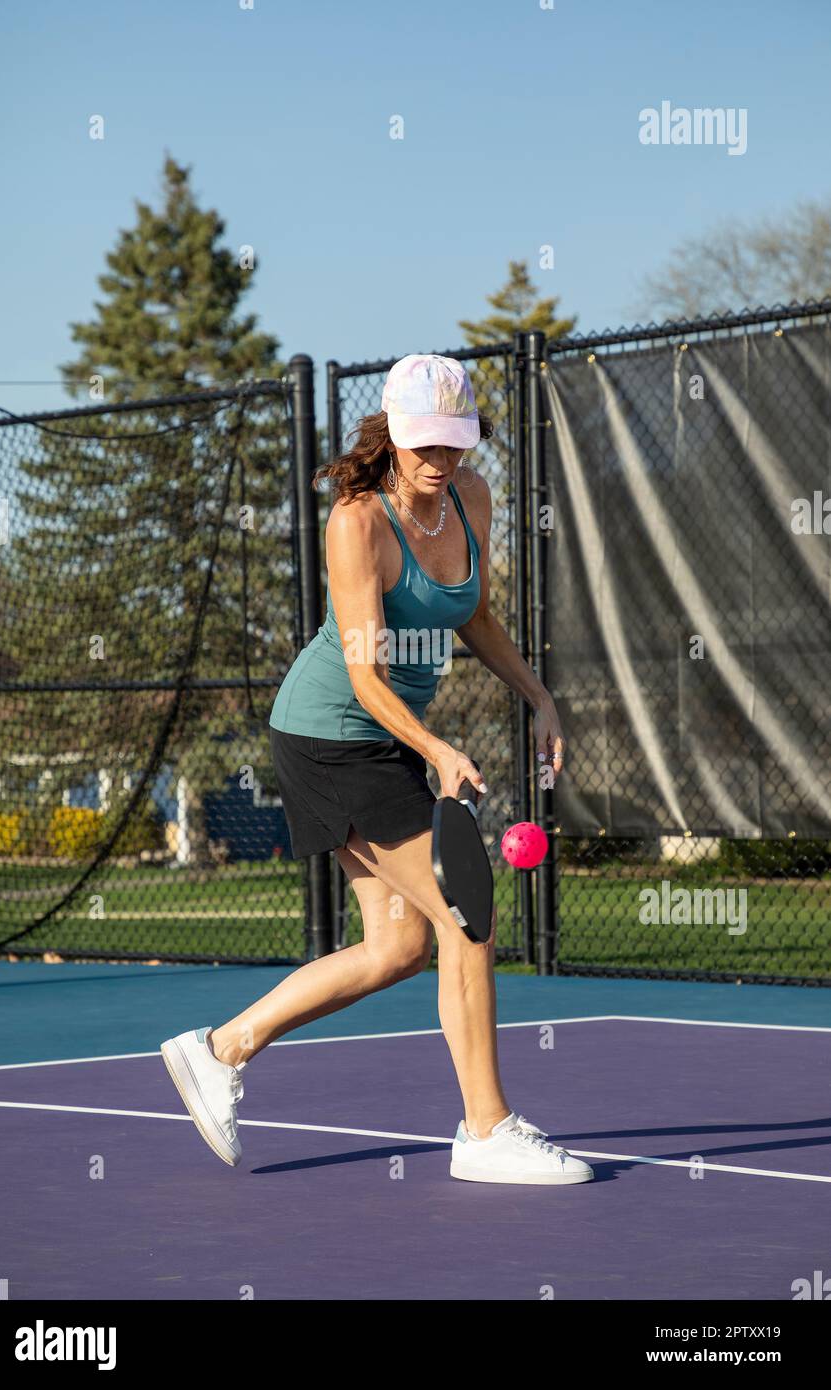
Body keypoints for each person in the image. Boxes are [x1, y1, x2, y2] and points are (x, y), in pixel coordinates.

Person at [161, 354, 593, 1186]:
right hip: (330, 734)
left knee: (398, 947)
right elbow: (364, 674)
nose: (440, 460)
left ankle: (219, 1050)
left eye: (455, 444)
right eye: (424, 444)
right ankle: (485, 1128)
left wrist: (539, 695)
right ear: (393, 435)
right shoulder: (357, 523)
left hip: (386, 737)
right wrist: (435, 748)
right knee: (468, 912)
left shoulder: (469, 499)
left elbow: (474, 615)